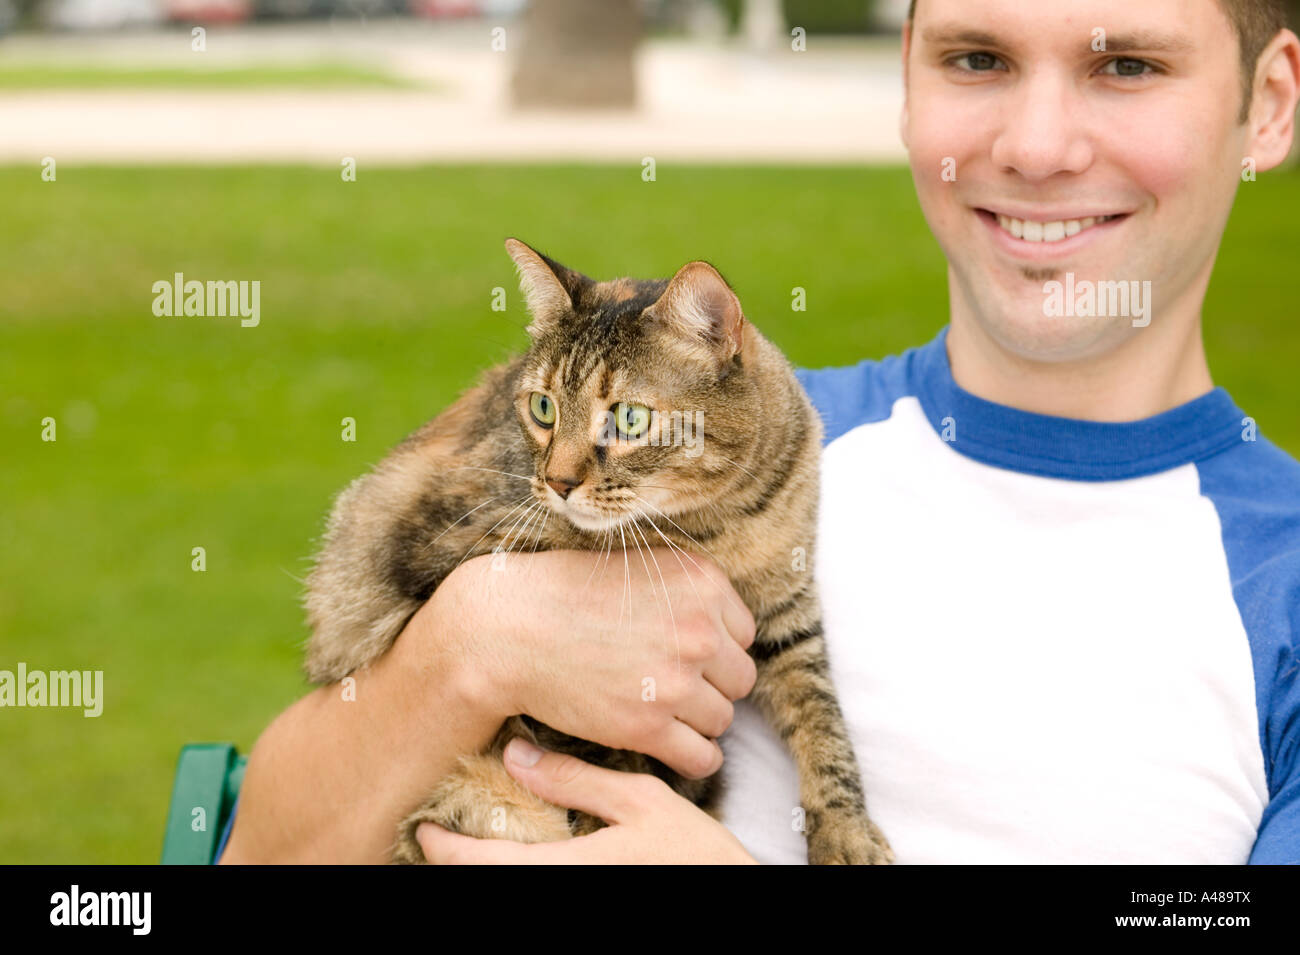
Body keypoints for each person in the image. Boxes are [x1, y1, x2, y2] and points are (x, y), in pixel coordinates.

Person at [218, 0, 1300, 864]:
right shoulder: (714, 450)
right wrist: (463, 652)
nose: (1038, 143)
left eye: (1128, 67)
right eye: (975, 59)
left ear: (1269, 106)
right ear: (908, 88)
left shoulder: (1279, 582)